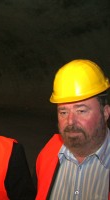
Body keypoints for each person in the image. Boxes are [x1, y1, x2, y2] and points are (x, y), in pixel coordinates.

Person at [35, 59, 110, 199]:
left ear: (105, 112)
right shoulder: (47, 154)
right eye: (63, 112)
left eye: (81, 111)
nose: (70, 121)